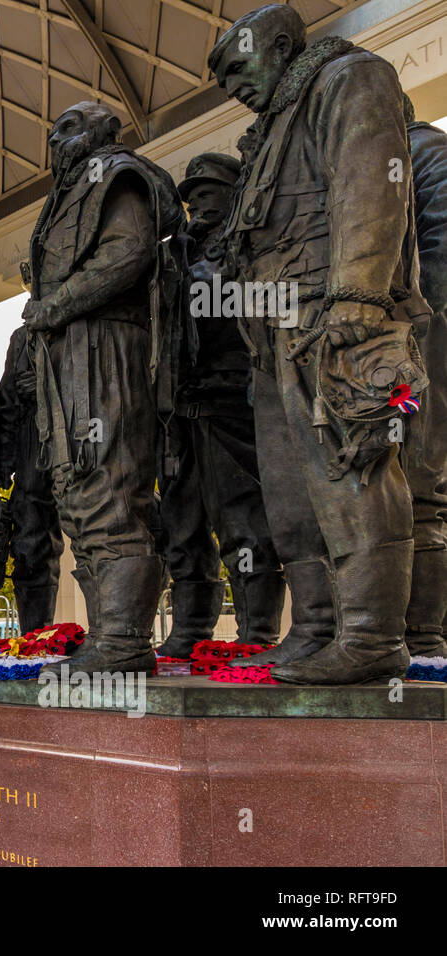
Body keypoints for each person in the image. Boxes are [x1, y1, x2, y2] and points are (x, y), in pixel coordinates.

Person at [209, 3, 428, 684]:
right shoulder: (276, 122)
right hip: (278, 334)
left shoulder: (348, 77)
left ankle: (371, 638)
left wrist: (359, 293)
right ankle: (314, 628)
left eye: (240, 68)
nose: (235, 88)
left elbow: (371, 182)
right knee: (289, 489)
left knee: (350, 472)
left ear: (280, 44)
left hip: (335, 320)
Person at [21, 101, 184, 675]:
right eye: (51, 130)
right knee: (77, 498)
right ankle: (107, 639)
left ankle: (123, 642)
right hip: (65, 355)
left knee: (109, 486)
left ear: (103, 130)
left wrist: (55, 303)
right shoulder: (66, 196)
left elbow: (129, 253)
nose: (54, 139)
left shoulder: (116, 173)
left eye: (66, 127)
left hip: (104, 349)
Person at [154, 153, 285, 658]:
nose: (197, 203)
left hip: (230, 399)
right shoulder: (174, 255)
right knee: (180, 522)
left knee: (242, 519)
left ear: (234, 192)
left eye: (208, 191)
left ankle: (258, 633)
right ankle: (191, 627)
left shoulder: (249, 244)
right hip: (175, 405)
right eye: (192, 196)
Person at [401, 97, 447, 660]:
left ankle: (425, 637)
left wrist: (418, 321)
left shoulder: (424, 150)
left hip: (421, 347)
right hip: (396, 348)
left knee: (420, 487)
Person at [0, 325, 63, 635]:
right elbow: (7, 399)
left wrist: (45, 385)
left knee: (100, 534)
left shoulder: (90, 323)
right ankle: (34, 636)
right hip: (33, 452)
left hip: (86, 442)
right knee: (30, 542)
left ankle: (112, 636)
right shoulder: (22, 337)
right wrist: (2, 461)